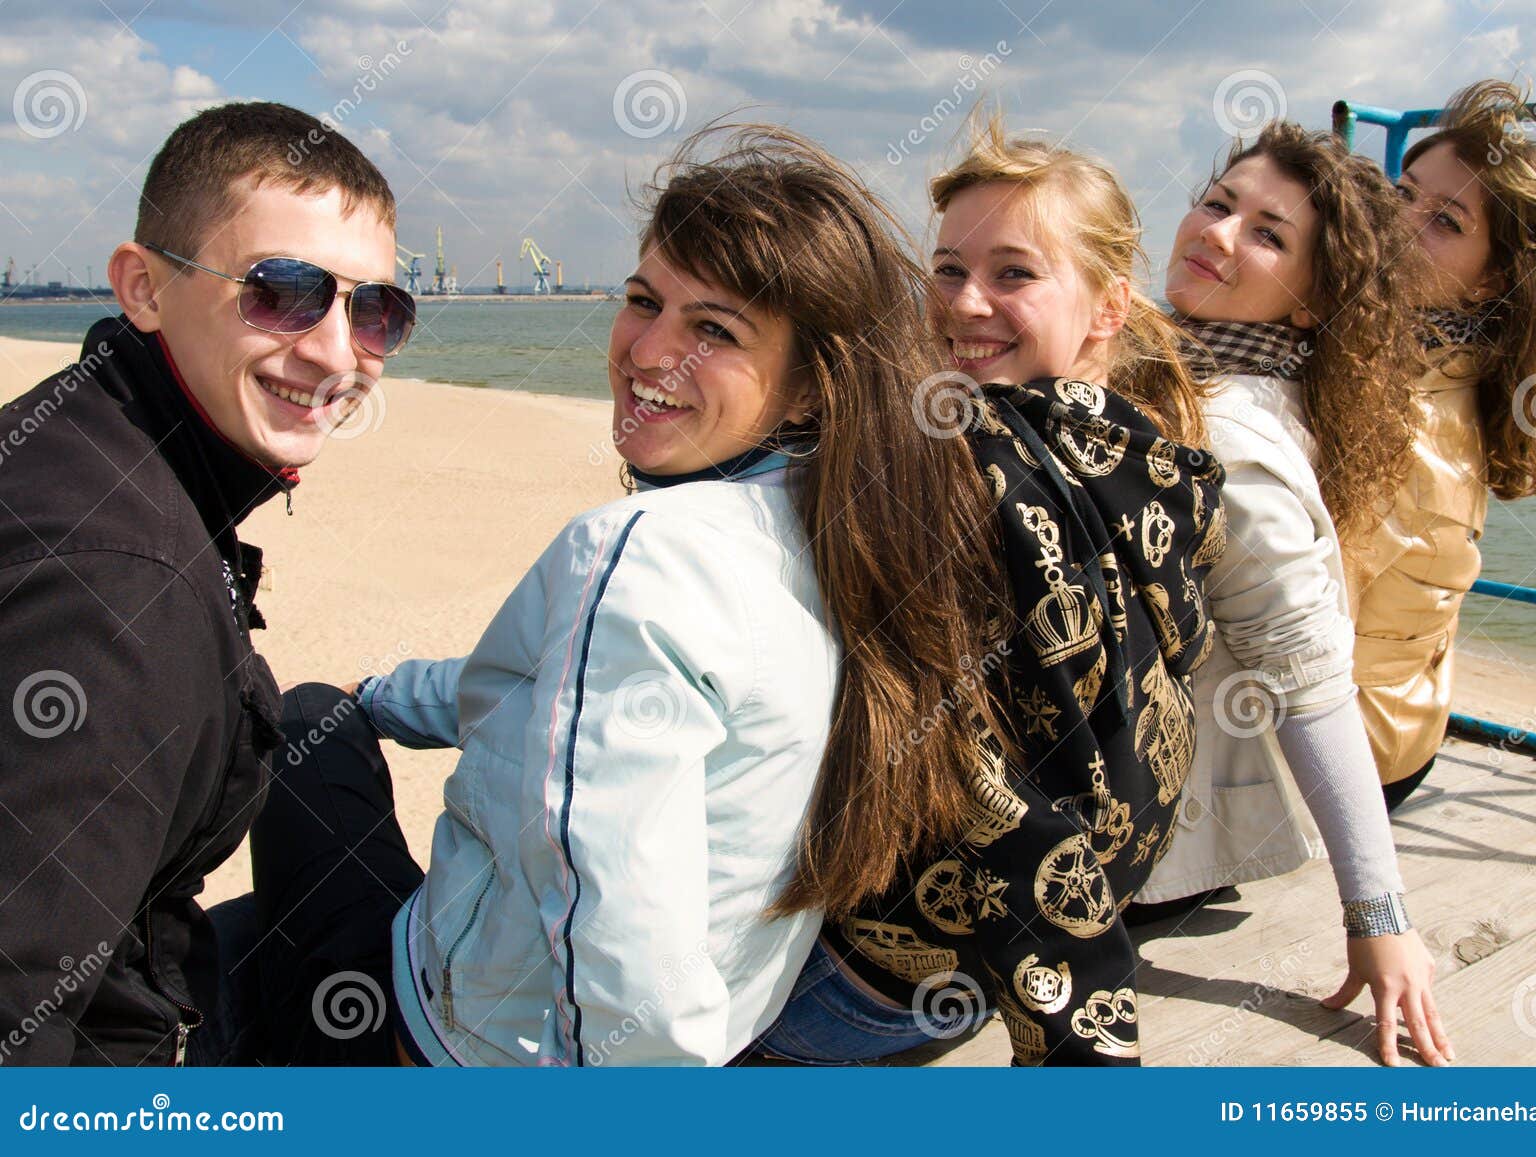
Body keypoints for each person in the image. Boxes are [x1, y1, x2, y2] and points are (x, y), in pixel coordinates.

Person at [233, 124, 1020, 1066]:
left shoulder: (645, 555)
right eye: (645, 301)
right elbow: (536, 686)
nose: (650, 353)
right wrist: (385, 696)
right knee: (334, 715)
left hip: (447, 1049)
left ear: (812, 387)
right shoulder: (851, 533)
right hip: (715, 1021)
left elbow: (620, 933)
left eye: (713, 330)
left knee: (301, 730)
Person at [753, 114, 1227, 1067]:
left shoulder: (959, 464)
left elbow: (989, 785)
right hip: (995, 960)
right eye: (947, 269)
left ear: (1105, 307)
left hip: (874, 972)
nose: (966, 303)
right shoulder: (1153, 457)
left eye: (1014, 273)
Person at [0, 102, 412, 1065]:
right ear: (144, 287)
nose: (336, 352)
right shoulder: (115, 597)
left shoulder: (86, 439)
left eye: (376, 309)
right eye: (283, 292)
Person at [1131, 120, 1452, 1065]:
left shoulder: (1229, 437)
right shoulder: (1179, 363)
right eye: (1220, 202)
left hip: (1152, 840)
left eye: (1268, 234)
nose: (1219, 232)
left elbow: (1311, 681)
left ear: (1310, 302)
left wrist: (1380, 916)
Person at [1343, 80, 1536, 812]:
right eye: (1402, 191)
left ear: (1493, 280)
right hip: (1405, 722)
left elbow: (1303, 629)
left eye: (1443, 221)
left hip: (1357, 749)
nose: (1398, 223)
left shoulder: (1402, 418)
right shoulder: (1426, 361)